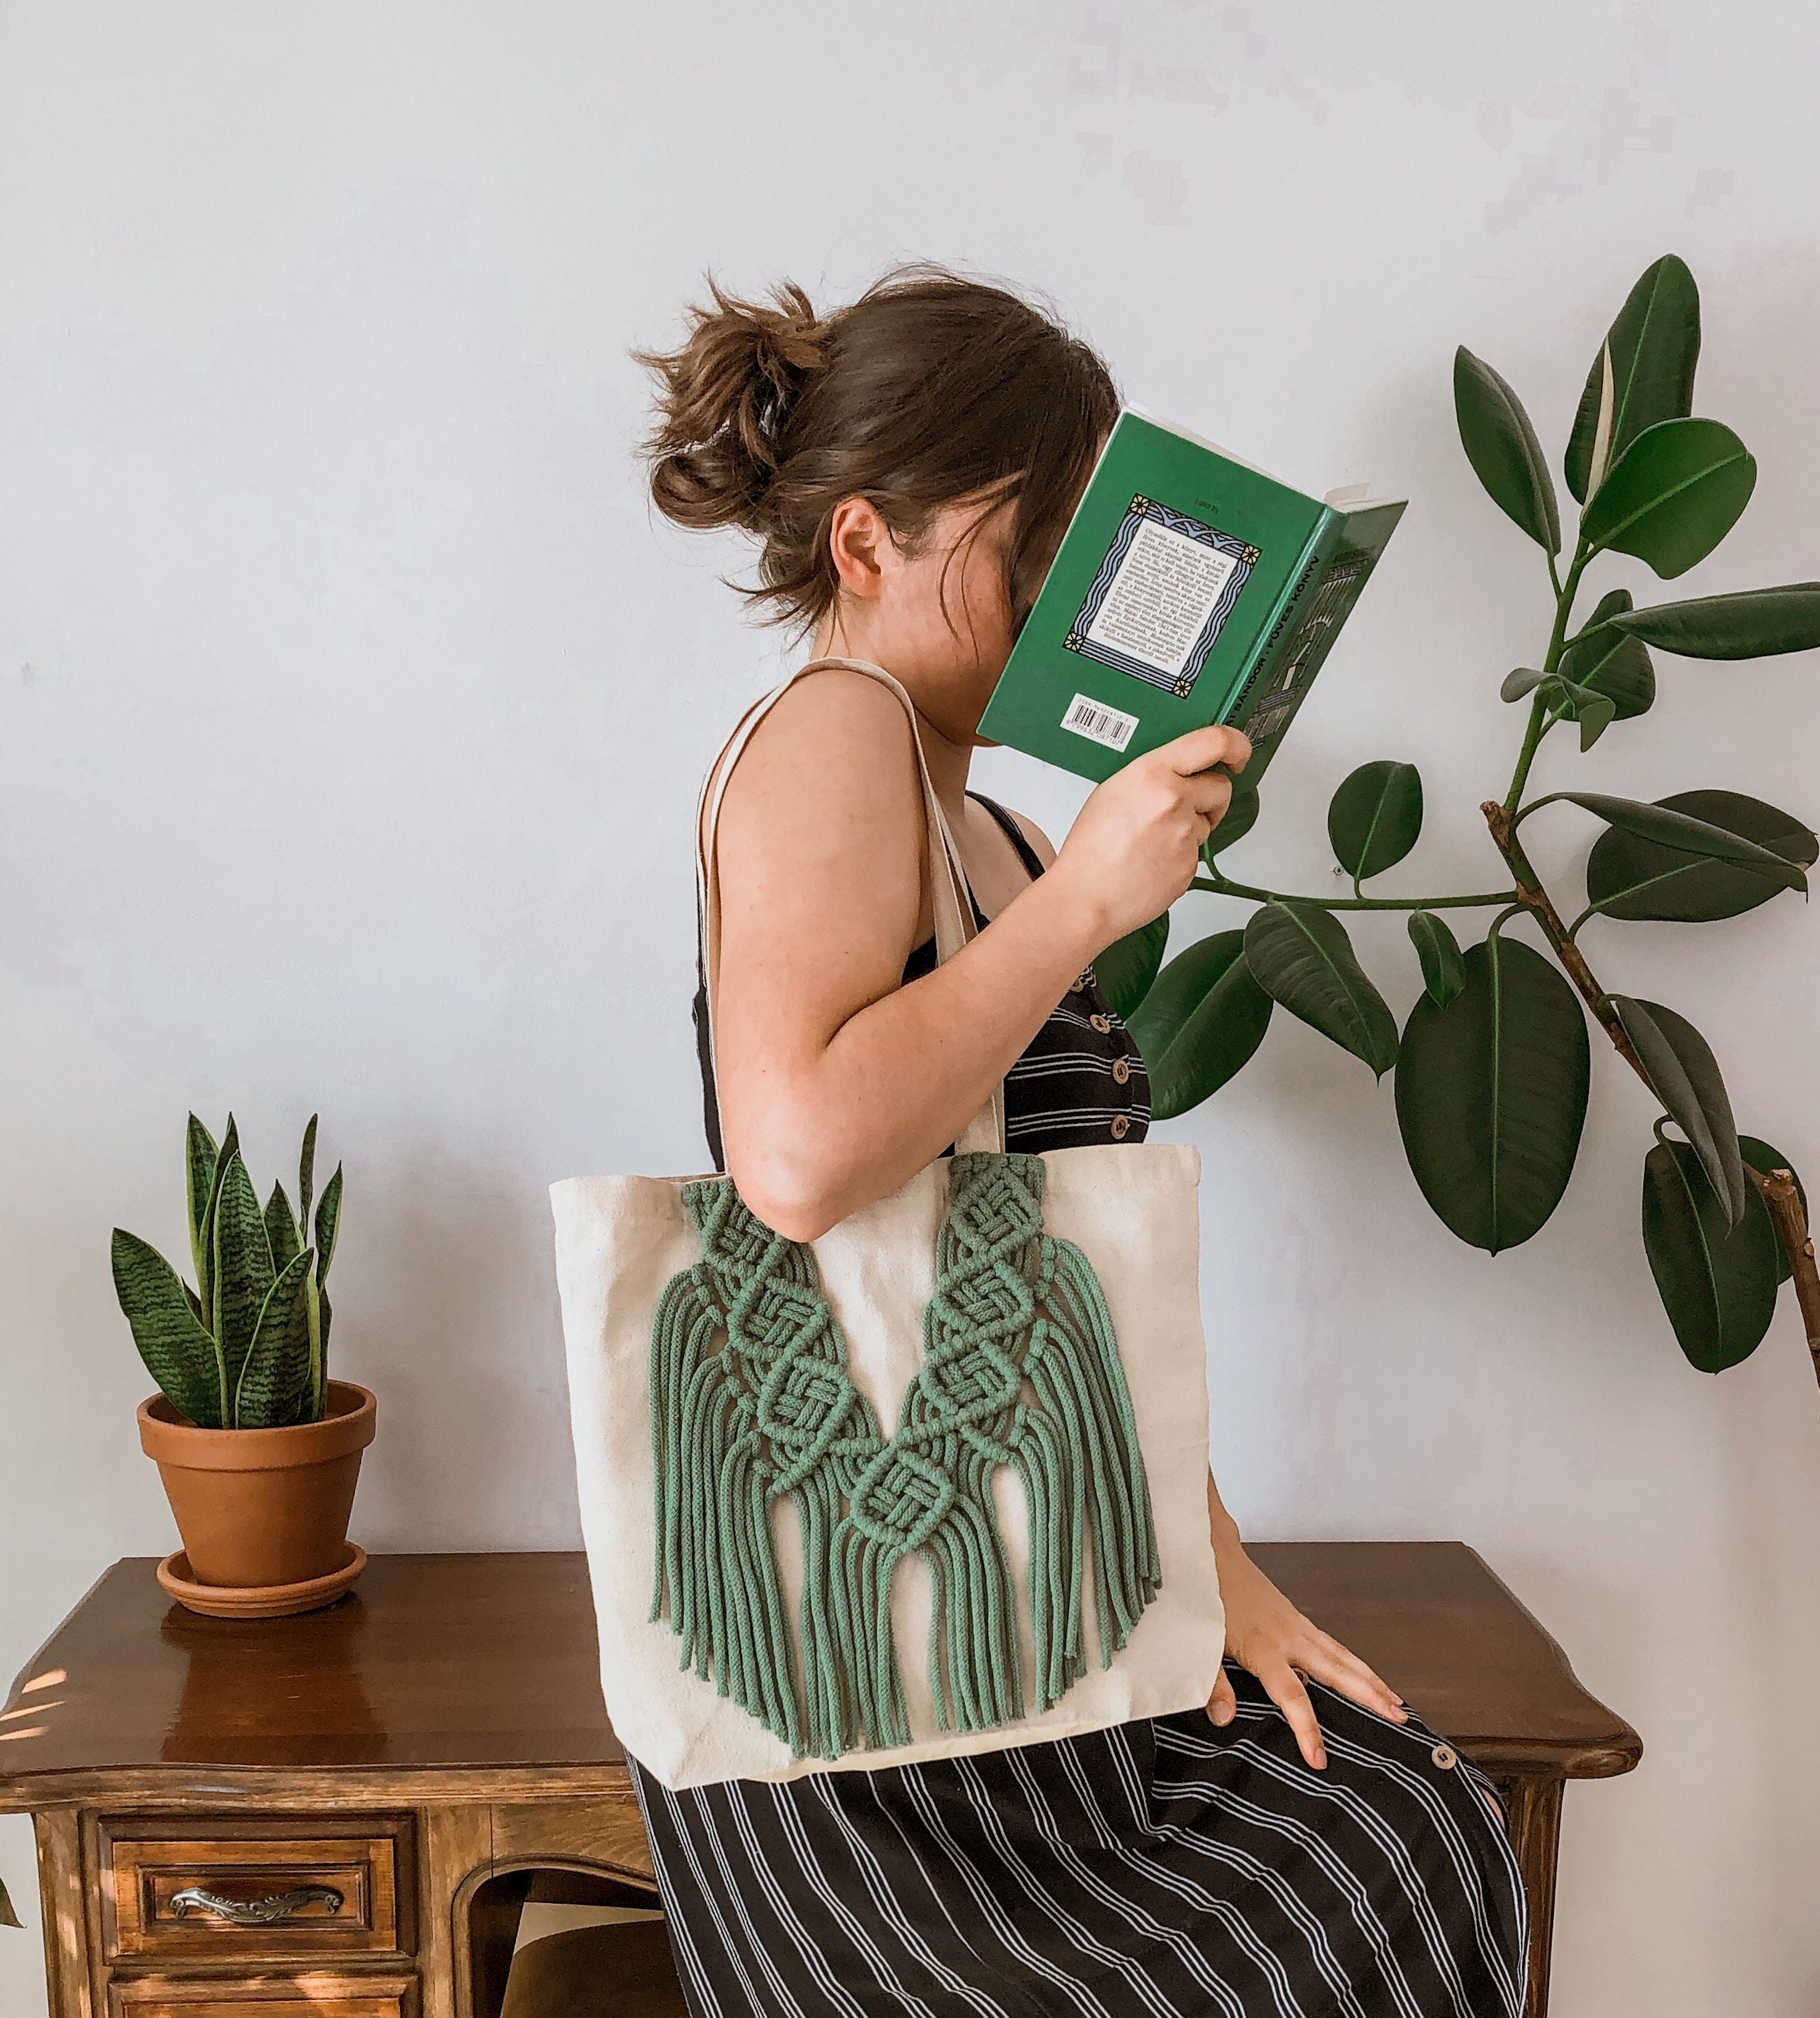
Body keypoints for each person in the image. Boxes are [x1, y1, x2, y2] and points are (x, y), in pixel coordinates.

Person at [627, 267, 1527, 2018]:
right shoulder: (838, 735)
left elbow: (1056, 1252)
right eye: (1027, 539)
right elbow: (797, 1159)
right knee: (1376, 1865)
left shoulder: (998, 828)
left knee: (1412, 1826)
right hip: (876, 1691)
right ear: (870, 542)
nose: (1059, 591)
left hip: (1022, 1601)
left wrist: (1224, 1571)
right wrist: (1097, 899)